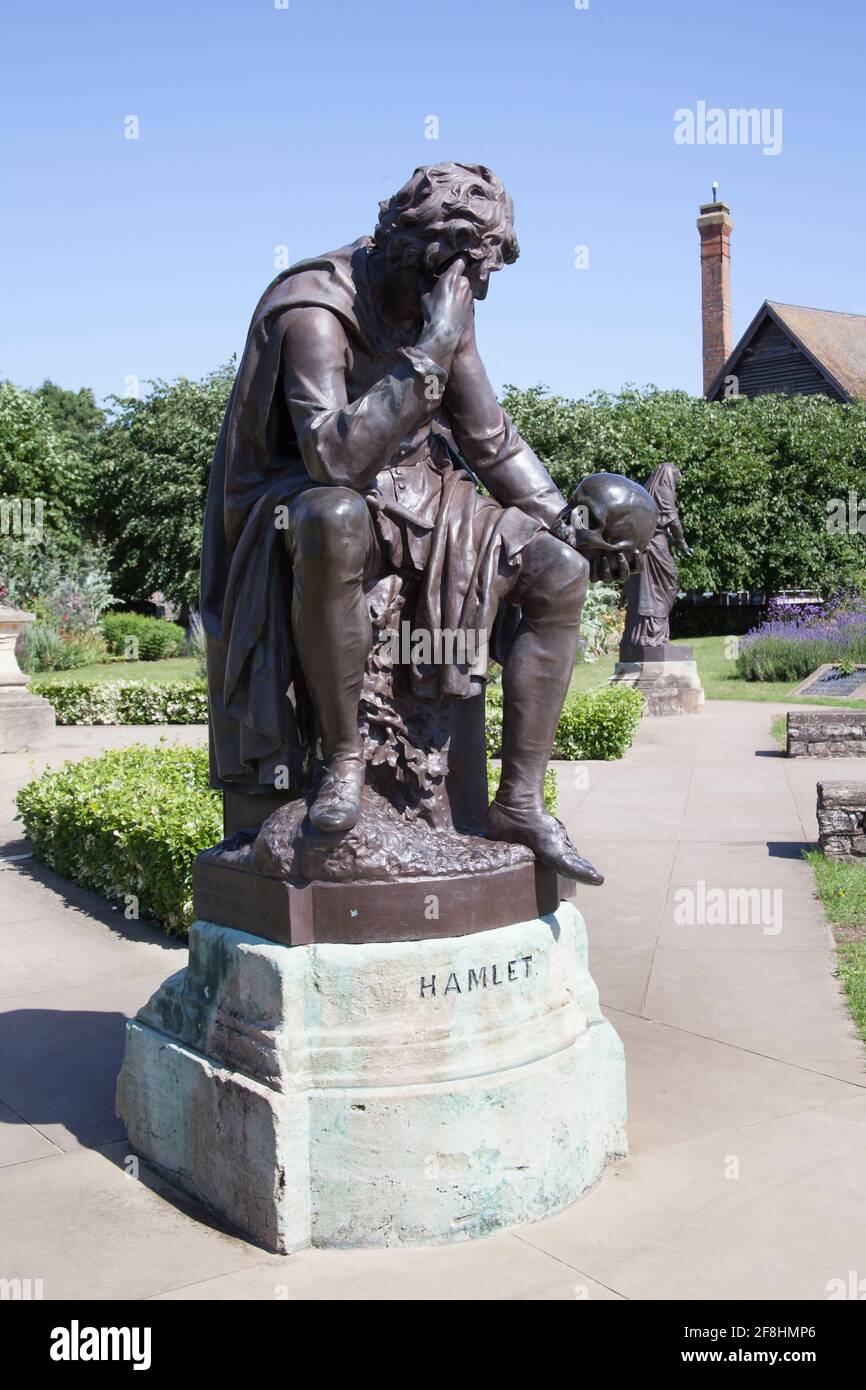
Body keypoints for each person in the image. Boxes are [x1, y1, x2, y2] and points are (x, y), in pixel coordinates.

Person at [202, 163, 653, 884]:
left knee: (557, 572)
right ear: (427, 253)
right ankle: (345, 761)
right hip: (296, 502)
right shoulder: (315, 307)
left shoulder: (449, 307)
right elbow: (332, 458)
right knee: (338, 518)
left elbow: (490, 441)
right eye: (473, 272)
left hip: (416, 492)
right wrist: (433, 350)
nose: (478, 291)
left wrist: (563, 523)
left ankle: (519, 804)